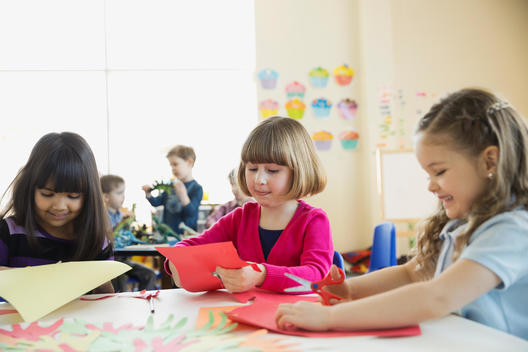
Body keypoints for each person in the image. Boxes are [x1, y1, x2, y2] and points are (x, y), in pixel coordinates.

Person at [275, 88, 528, 340]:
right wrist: (349, 289)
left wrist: (330, 319)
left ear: (489, 162)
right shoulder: (460, 224)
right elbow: (410, 274)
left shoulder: (511, 230)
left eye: (439, 172)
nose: (430, 185)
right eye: (428, 175)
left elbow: (437, 296)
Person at [166, 116, 334, 293]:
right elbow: (189, 247)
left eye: (272, 170)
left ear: (299, 172)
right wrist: (175, 261)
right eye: (252, 169)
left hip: (297, 316)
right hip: (246, 312)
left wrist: (261, 275)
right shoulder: (239, 218)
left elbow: (317, 275)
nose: (259, 179)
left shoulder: (314, 220)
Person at [0, 132, 114, 293]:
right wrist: (24, 277)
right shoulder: (10, 231)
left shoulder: (96, 240)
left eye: (73, 196)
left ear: (89, 195)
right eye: (47, 194)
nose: (59, 206)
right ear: (30, 188)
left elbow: (106, 296)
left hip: (78, 318)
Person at [100, 174, 158, 292]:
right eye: (119, 193)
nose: (123, 197)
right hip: (111, 263)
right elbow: (109, 237)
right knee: (120, 281)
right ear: (106, 197)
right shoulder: (103, 216)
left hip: (124, 261)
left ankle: (144, 303)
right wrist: (121, 222)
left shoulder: (120, 214)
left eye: (123, 193)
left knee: (149, 274)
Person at [142, 145, 203, 235]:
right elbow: (157, 202)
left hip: (186, 236)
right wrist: (148, 195)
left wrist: (183, 196)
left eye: (175, 164)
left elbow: (191, 213)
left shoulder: (197, 188)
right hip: (168, 234)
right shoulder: (171, 186)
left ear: (190, 163)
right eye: (171, 165)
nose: (173, 168)